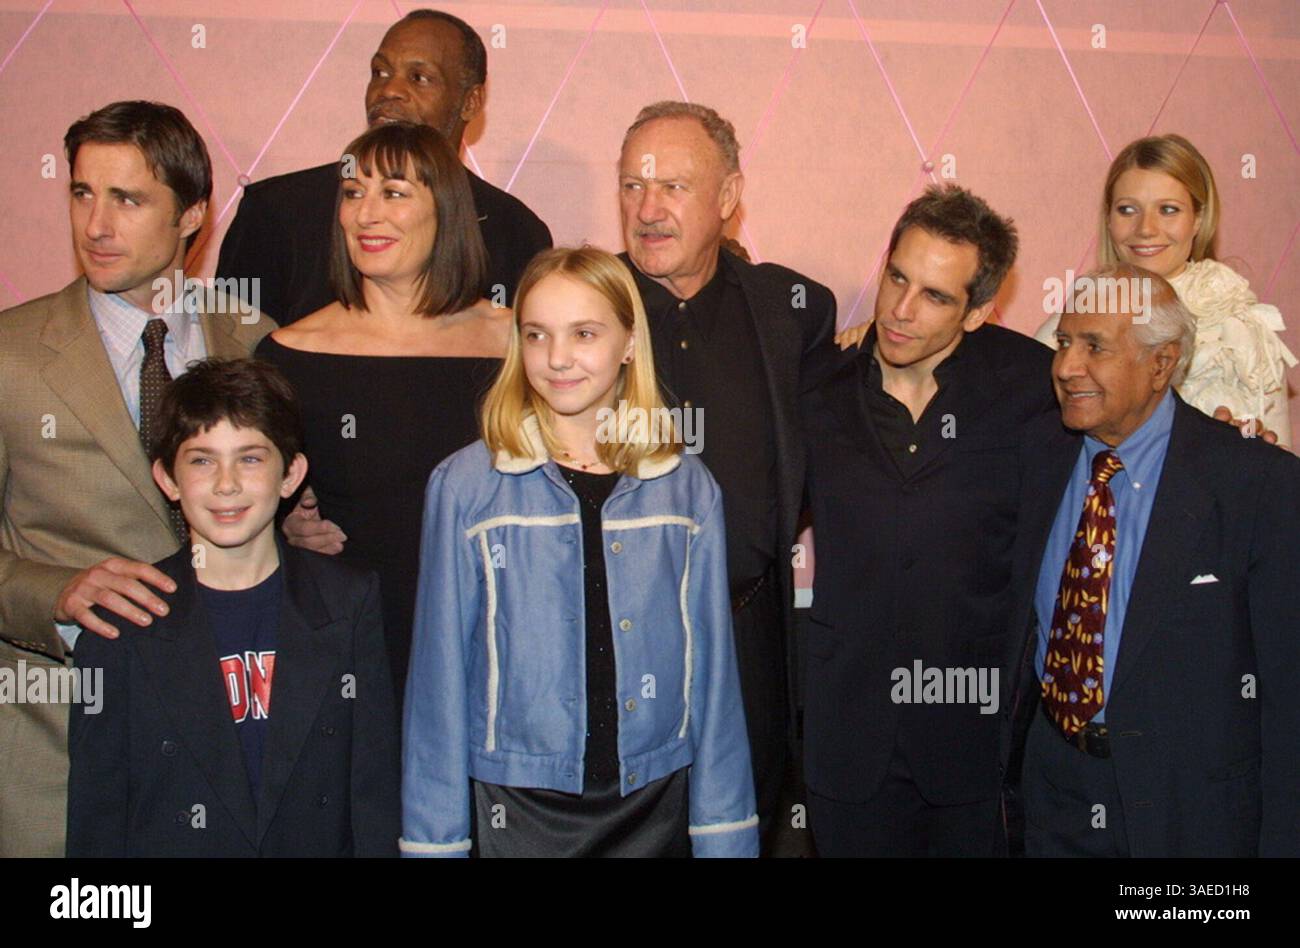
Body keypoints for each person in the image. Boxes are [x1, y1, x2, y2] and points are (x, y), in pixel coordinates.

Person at [400, 247, 758, 858]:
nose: (557, 358)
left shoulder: (687, 486)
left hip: (654, 802)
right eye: (536, 334)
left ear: (627, 342)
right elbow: (438, 684)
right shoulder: (465, 487)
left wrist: (725, 835)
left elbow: (714, 678)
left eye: (584, 333)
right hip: (517, 810)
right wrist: (436, 843)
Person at [0, 101, 272, 857]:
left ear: (192, 215)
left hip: (225, 765)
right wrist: (53, 591)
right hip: (50, 758)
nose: (96, 225)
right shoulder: (9, 355)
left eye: (128, 199)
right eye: (83, 193)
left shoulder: (257, 341)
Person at [1002, 264, 1300, 857]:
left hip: (1191, 813)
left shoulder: (1255, 483)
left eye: (1095, 347)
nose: (1065, 366)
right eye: (1063, 342)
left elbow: (1288, 698)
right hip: (1052, 793)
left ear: (1162, 363)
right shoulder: (1035, 452)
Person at [800, 185, 1057, 857]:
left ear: (976, 313)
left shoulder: (1034, 388)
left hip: (973, 749)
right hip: (846, 738)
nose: (902, 311)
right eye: (897, 279)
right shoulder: (819, 387)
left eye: (936, 297)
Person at [67, 358, 399, 857]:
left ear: (291, 474)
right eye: (201, 460)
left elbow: (373, 789)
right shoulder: (125, 620)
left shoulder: (349, 602)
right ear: (167, 478)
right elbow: (98, 813)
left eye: (250, 458)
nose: (226, 484)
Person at [617, 101, 836, 855]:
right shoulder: (581, 305)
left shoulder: (790, 312)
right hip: (612, 646)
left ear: (729, 197)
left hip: (748, 645)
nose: (648, 210)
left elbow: (826, 459)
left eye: (674, 187)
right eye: (632, 186)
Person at [258, 121, 510, 697]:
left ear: (444, 211)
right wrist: (281, 520)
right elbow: (242, 499)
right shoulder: (291, 354)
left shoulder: (520, 344)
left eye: (393, 192)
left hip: (497, 639)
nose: (366, 213)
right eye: (352, 193)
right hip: (351, 651)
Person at [217, 7, 552, 324]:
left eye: (419, 77)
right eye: (380, 72)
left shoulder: (517, 232)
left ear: (470, 101)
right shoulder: (277, 212)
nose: (389, 89)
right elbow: (234, 364)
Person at [1034, 134, 1295, 448]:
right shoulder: (1066, 327)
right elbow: (1041, 451)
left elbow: (1280, 472)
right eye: (1128, 210)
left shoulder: (1244, 329)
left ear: (1198, 219)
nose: (1146, 229)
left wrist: (1241, 452)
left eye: (1168, 210)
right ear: (1108, 219)